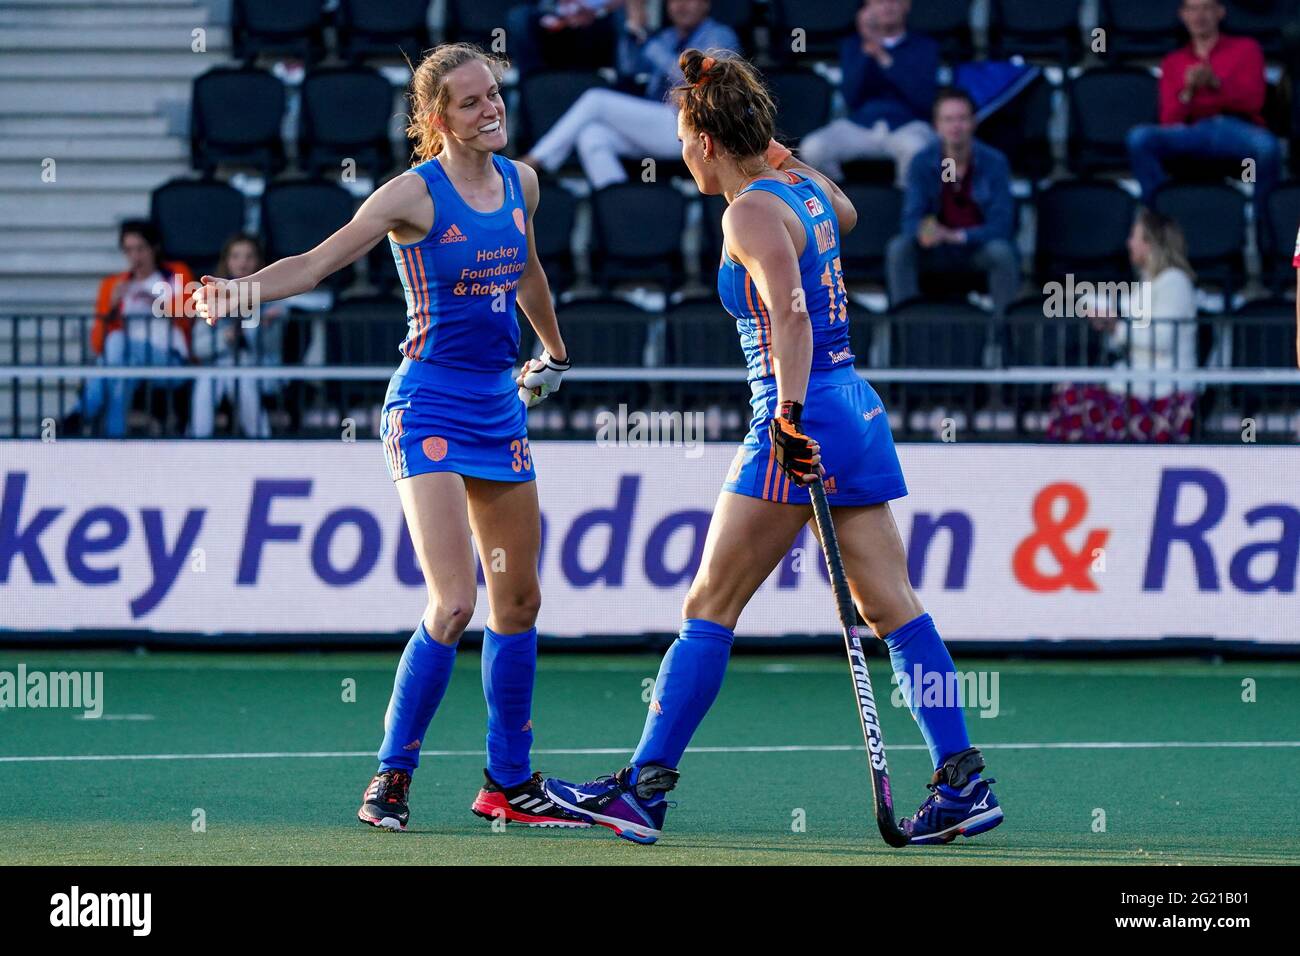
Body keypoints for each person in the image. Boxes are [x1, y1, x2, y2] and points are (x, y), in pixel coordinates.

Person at [542, 50, 1003, 846]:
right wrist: (781, 155)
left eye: (686, 138)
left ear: (709, 143)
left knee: (708, 607)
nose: (681, 153)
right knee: (891, 606)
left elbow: (789, 316)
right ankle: (961, 779)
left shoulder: (749, 211)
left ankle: (645, 789)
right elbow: (849, 215)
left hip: (800, 412)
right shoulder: (797, 187)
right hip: (854, 407)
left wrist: (786, 419)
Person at [193, 43, 585, 832]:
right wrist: (237, 293)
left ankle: (507, 784)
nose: (491, 108)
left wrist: (553, 349)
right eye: (471, 102)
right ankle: (390, 777)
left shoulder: (523, 183)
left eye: (494, 94)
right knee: (453, 603)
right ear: (438, 118)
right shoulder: (411, 195)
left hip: (497, 407)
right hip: (429, 407)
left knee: (519, 601)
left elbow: (529, 272)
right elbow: (313, 265)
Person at [518, 0, 738, 190]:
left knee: (596, 100)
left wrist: (647, 42)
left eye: (689, 0)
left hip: (697, 129)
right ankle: (621, 212)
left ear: (705, 4)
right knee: (592, 136)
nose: (681, 6)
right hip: (660, 122)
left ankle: (534, 162)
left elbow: (689, 77)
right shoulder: (667, 37)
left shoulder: (720, 35)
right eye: (674, 1)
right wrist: (633, 30)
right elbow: (629, 68)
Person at [1126, 0, 1281, 229]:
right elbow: (1169, 119)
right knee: (1139, 138)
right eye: (1192, 8)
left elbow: (1253, 102)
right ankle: (1161, 223)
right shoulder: (1173, 62)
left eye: (1207, 7)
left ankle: (1263, 225)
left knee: (1267, 147)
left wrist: (1215, 84)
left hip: (1233, 129)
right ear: (1182, 15)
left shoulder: (1246, 48)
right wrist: (1189, 91)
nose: (1200, 15)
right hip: (1191, 131)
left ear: (1220, 12)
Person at [1048, 211, 1200, 443]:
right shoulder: (1148, 283)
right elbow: (1130, 330)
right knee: (1068, 389)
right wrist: (1108, 321)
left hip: (1163, 390)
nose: (1128, 243)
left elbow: (1163, 339)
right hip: (1139, 381)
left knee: (1072, 396)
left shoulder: (1175, 282)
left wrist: (1116, 327)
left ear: (1150, 244)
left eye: (1134, 236)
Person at [885, 87, 1019, 315]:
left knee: (1002, 253)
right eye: (948, 119)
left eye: (962, 119)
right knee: (899, 249)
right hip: (936, 250)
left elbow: (1002, 225)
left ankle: (1003, 340)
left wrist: (958, 236)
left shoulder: (994, 162)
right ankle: (907, 336)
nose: (955, 126)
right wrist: (928, 232)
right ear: (937, 126)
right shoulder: (922, 162)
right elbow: (911, 220)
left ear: (973, 122)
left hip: (977, 248)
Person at [68, 220, 193, 437]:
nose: (135, 257)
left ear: (154, 248)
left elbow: (191, 312)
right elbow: (98, 344)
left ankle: (80, 412)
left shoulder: (176, 275)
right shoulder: (113, 285)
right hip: (129, 360)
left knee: (116, 345)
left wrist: (157, 302)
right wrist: (111, 309)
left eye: (140, 249)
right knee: (121, 374)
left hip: (170, 360)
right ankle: (114, 438)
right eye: (129, 250)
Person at [798, 0, 938, 187]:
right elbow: (851, 97)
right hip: (862, 125)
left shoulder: (924, 46)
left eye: (894, 1)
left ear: (907, 5)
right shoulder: (853, 46)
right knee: (814, 148)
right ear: (867, 8)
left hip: (908, 125)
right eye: (879, 1)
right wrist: (867, 48)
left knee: (916, 150)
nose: (887, 6)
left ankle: (906, 212)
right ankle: (844, 204)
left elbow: (923, 99)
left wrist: (882, 56)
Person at [189, 235, 285, 438]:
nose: (243, 262)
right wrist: (226, 337)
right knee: (210, 378)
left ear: (259, 261)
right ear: (227, 261)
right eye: (236, 256)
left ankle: (260, 439)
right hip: (219, 365)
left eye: (249, 256)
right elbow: (200, 348)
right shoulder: (212, 295)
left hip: (259, 366)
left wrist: (257, 329)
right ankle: (198, 439)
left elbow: (272, 349)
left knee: (240, 377)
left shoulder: (273, 296)